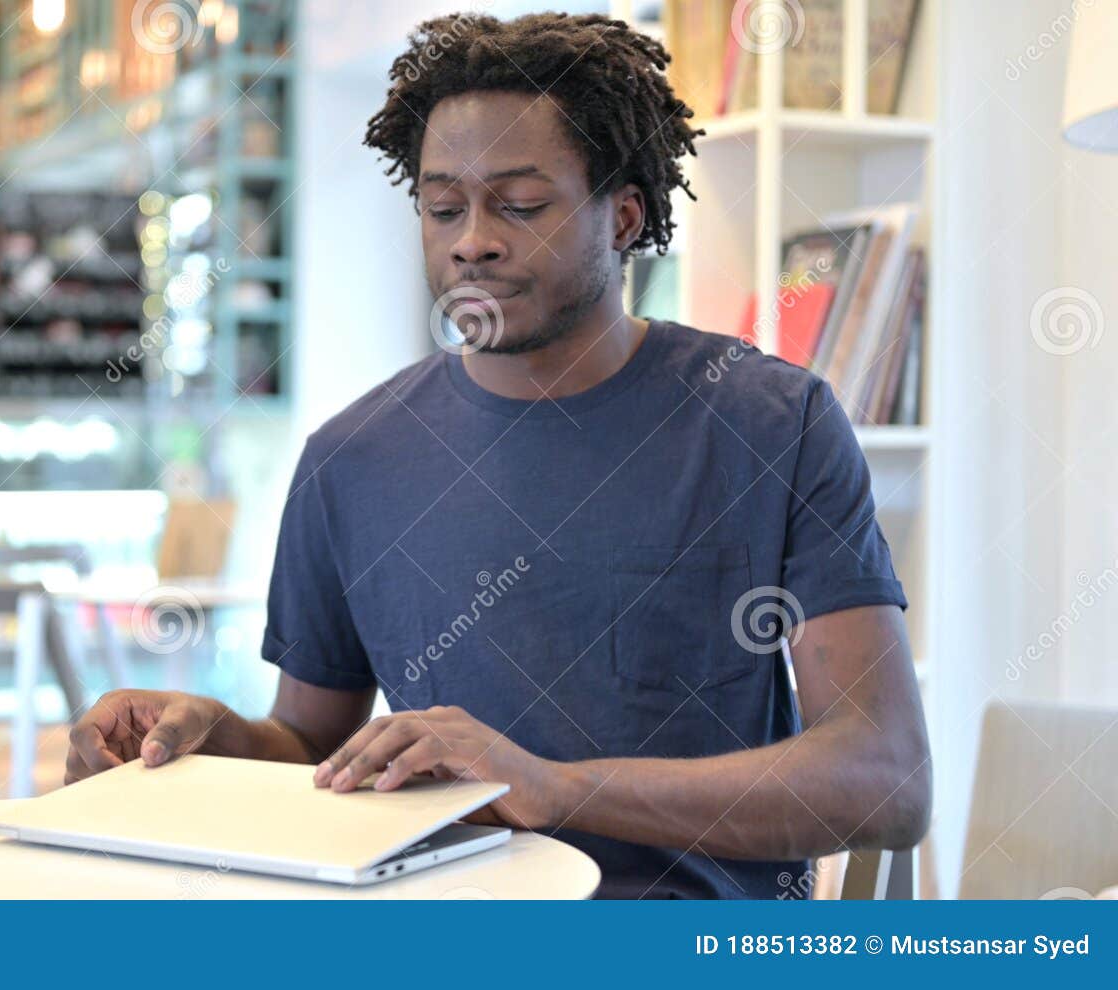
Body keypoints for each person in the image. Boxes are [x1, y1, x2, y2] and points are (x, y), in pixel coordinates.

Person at [65, 12, 931, 899]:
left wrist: (554, 788)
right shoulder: (350, 459)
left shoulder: (768, 422)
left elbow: (886, 777)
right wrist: (214, 737)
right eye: (443, 207)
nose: (470, 238)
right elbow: (312, 747)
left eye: (519, 205)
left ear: (624, 217)